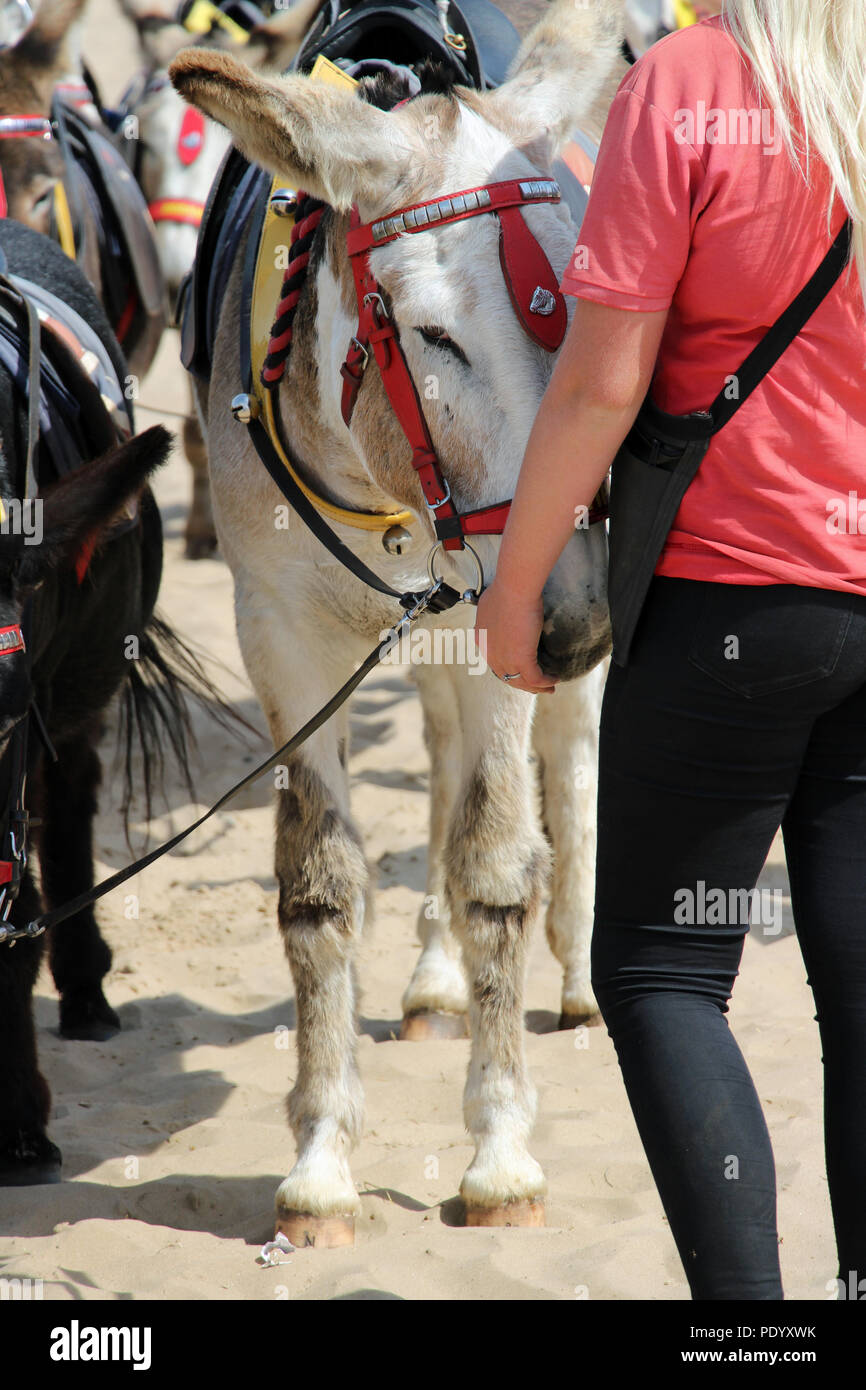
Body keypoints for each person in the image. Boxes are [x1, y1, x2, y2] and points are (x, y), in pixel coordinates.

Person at [475, 1, 866, 1300]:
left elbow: (598, 382)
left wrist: (517, 583)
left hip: (731, 605)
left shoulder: (690, 83)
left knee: (657, 964)